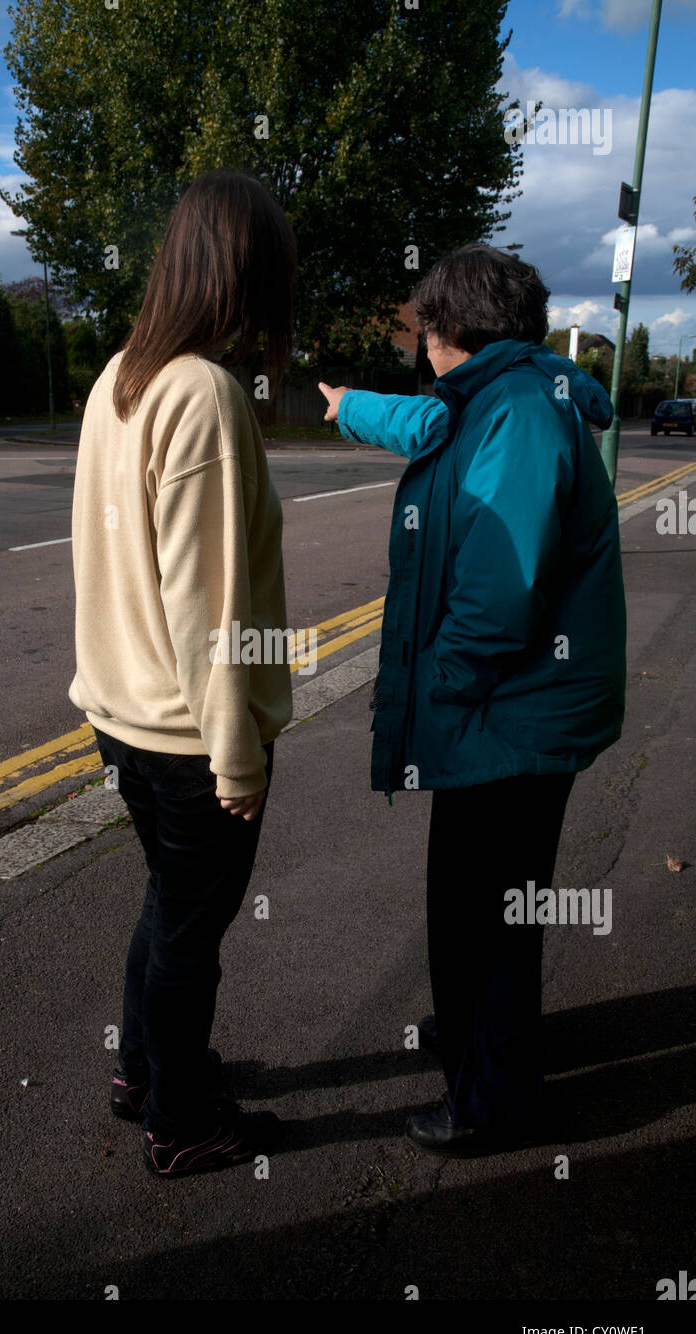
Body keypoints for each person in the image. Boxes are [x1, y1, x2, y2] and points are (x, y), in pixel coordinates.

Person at [319, 244, 626, 1152]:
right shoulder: (503, 396)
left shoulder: (519, 414)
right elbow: (419, 425)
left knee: (482, 905)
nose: (419, 347)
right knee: (488, 896)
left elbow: (498, 590)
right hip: (517, 707)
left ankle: (494, 1097)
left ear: (449, 330)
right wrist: (346, 409)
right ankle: (484, 1041)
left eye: (422, 330)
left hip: (508, 710)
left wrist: (443, 688)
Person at [69, 170, 297, 1176]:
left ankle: (143, 1078)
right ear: (245, 270)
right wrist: (236, 756)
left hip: (120, 713)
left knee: (168, 907)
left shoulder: (121, 373)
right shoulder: (202, 393)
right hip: (186, 732)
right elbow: (214, 606)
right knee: (189, 935)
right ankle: (180, 1121)